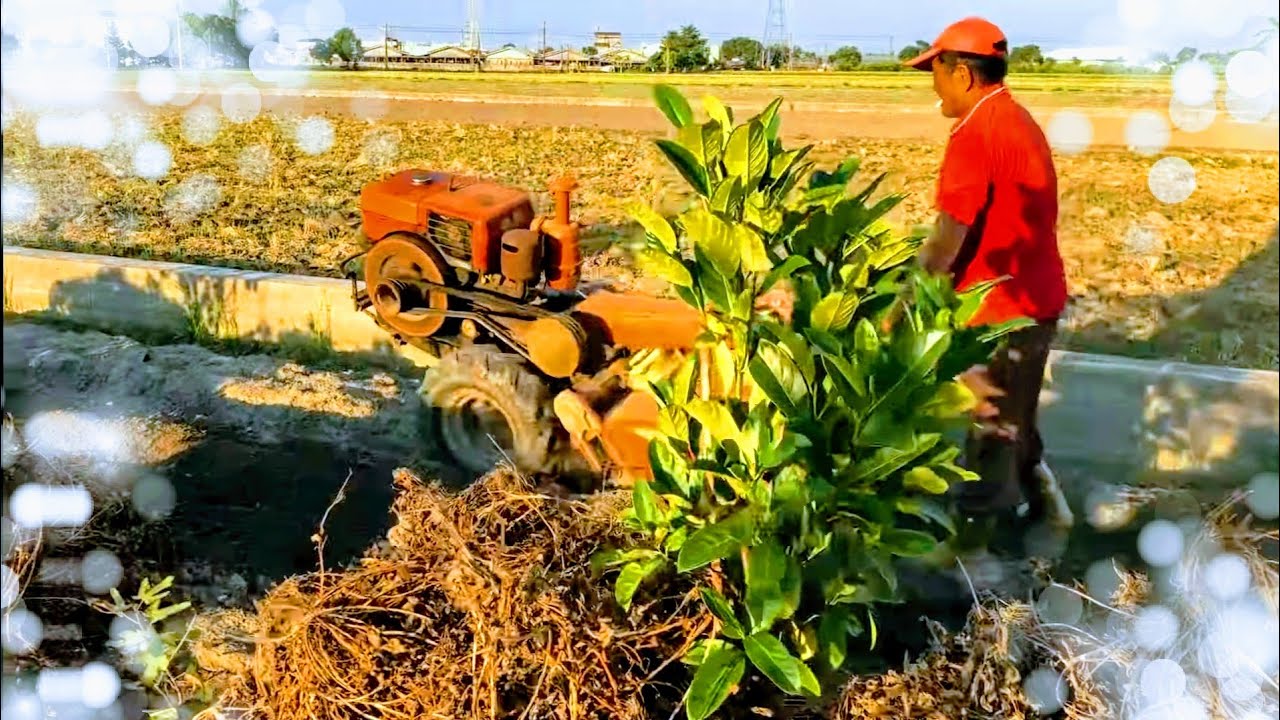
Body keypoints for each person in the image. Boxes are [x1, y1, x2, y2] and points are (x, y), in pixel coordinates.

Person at [903, 17, 1074, 543]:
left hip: (1000, 310)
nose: (932, 84)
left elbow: (948, 236)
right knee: (1014, 417)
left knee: (991, 425)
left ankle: (983, 563)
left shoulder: (976, 133)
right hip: (1033, 300)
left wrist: (904, 308)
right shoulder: (1017, 119)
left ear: (961, 73)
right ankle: (1049, 510)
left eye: (934, 71)